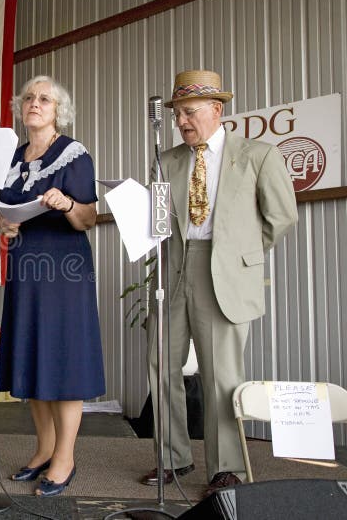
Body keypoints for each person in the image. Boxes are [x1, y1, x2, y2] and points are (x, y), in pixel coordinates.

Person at [140, 70, 298, 498]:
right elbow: (157, 221)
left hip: (223, 270)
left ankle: (227, 468)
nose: (182, 122)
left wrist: (240, 254)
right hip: (174, 266)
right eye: (177, 115)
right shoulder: (166, 160)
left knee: (220, 375)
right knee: (161, 365)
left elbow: (282, 217)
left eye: (190, 113)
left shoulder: (257, 155)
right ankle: (173, 458)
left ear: (217, 111)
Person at [0, 75, 105, 497]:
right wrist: (5, 224)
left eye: (44, 99)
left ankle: (65, 457)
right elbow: (7, 214)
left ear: (58, 110)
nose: (34, 103)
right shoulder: (13, 156)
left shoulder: (75, 154)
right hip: (26, 266)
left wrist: (69, 204)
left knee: (63, 357)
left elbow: (88, 219)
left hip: (65, 269)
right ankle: (42, 449)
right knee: (33, 354)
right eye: (28, 98)